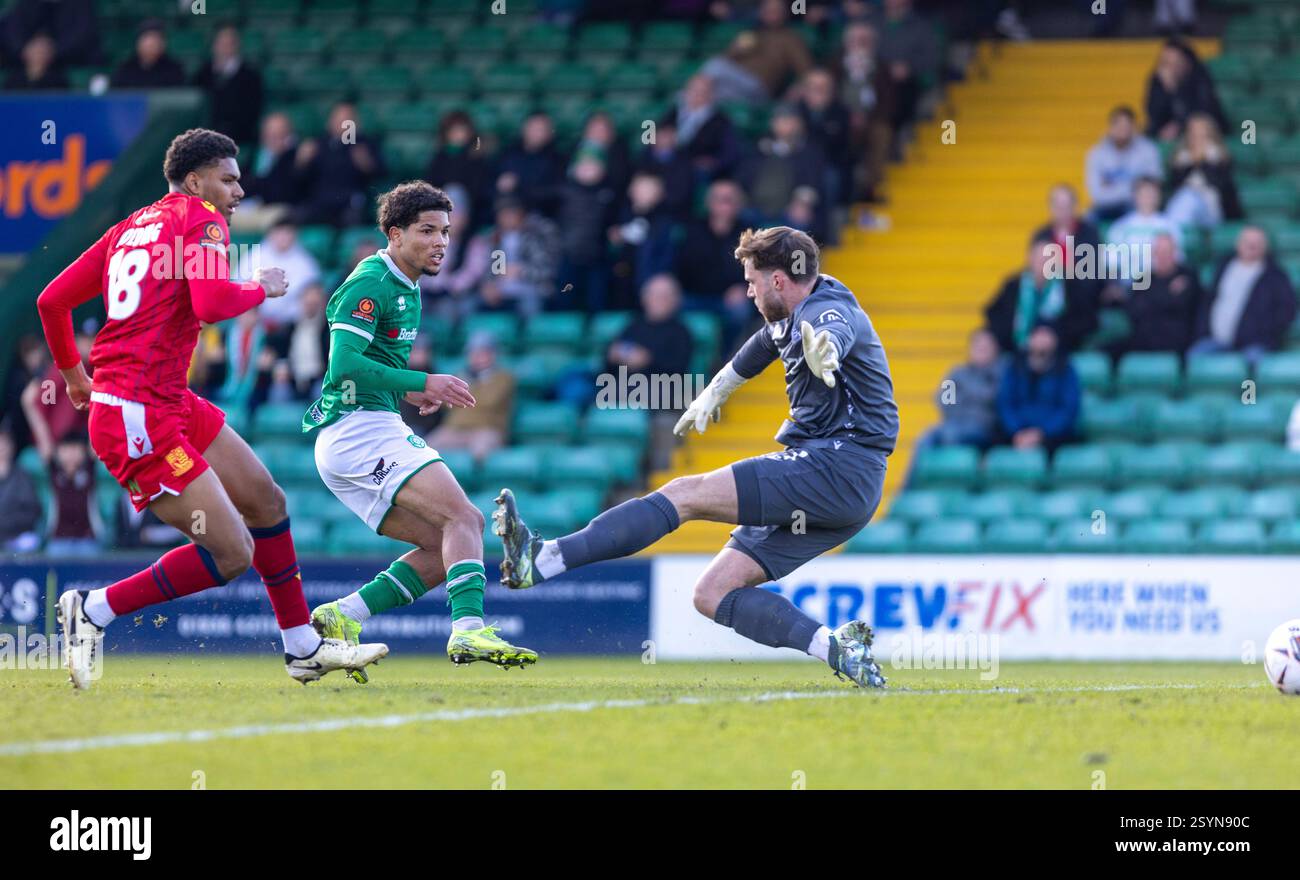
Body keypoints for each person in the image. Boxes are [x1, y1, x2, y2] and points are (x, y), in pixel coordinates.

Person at [36, 128, 386, 689]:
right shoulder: (201, 218)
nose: (239, 192)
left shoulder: (131, 227)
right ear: (196, 181)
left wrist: (76, 377)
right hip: (136, 415)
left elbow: (51, 300)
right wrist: (262, 287)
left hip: (166, 397)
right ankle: (94, 607)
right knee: (231, 554)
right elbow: (212, 302)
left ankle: (302, 647)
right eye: (229, 179)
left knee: (267, 501)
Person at [494, 227, 895, 689]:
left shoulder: (827, 311)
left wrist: (826, 352)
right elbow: (755, 351)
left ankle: (542, 561)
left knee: (684, 494)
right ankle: (836, 648)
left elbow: (832, 332)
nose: (748, 290)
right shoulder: (790, 314)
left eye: (751, 280)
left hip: (838, 466)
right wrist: (710, 396)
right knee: (712, 594)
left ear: (778, 281)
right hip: (846, 487)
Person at [304, 182, 537, 680]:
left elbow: (375, 365)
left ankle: (344, 615)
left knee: (443, 542)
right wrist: (422, 379)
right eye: (427, 231)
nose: (440, 242)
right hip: (357, 430)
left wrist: (411, 393)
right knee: (467, 520)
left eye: (446, 232)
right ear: (394, 234)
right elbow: (343, 366)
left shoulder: (408, 286)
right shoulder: (371, 282)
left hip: (366, 426)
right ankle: (469, 628)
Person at [1190, 226, 1297, 363]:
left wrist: (1263, 334)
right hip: (1215, 340)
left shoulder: (1276, 276)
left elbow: (1287, 310)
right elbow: (1208, 302)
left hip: (1255, 345)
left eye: (1257, 242)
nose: (1252, 245)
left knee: (1252, 370)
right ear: (1238, 244)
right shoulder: (1223, 267)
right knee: (1195, 357)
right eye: (1247, 241)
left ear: (1266, 246)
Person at [984, 237, 1098, 354]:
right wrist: (1018, 334)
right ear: (1030, 259)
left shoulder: (1069, 285)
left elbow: (1086, 320)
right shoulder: (1014, 285)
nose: (1045, 265)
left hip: (1060, 353)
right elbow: (993, 314)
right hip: (1016, 352)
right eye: (1041, 260)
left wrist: (1054, 336)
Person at [427, 332, 516, 464]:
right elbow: (446, 402)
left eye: (482, 352)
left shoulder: (504, 377)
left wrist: (474, 382)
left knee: (480, 453)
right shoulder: (460, 375)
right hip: (455, 429)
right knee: (426, 450)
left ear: (493, 354)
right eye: (473, 353)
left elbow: (489, 400)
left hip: (487, 430)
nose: (476, 357)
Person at [293, 102, 387, 227]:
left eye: (348, 120)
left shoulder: (365, 145)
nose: (343, 124)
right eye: (339, 119)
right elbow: (299, 180)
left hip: (349, 202)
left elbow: (381, 176)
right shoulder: (316, 145)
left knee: (352, 219)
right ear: (329, 122)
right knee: (295, 218)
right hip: (319, 202)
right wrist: (301, 162)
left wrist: (367, 165)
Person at [1113, 233, 1202, 356]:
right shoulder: (1143, 278)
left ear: (1174, 253)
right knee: (1105, 351)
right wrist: (1168, 294)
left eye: (1166, 251)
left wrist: (1153, 301)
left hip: (1177, 342)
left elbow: (1184, 307)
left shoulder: (1188, 276)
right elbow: (1134, 311)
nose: (1163, 256)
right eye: (1159, 252)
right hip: (1143, 339)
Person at [996, 325, 1080, 453]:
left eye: (1046, 335)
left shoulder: (1066, 370)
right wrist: (1017, 431)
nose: (1042, 340)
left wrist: (1041, 433)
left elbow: (1068, 409)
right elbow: (1005, 403)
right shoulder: (1014, 367)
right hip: (1016, 435)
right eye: (1038, 335)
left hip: (1054, 437)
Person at [921, 328, 1002, 449]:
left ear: (995, 350)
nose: (981, 351)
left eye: (986, 348)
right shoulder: (956, 373)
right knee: (925, 438)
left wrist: (967, 396)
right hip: (956, 424)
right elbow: (943, 400)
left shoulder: (1001, 373)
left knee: (950, 435)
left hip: (984, 429)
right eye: (978, 347)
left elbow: (994, 401)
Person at [1085, 106, 1164, 222]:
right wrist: (1133, 187)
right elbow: (1096, 194)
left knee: (1138, 214)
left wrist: (1110, 186)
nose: (1123, 131)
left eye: (1127, 126)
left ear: (1134, 127)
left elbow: (1153, 185)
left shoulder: (1148, 150)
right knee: (1087, 221)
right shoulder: (1096, 154)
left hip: (1135, 206)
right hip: (1105, 206)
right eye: (1119, 126)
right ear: (1111, 128)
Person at [1165, 113, 1242, 229]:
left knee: (1188, 198)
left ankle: (1169, 235)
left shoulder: (1221, 159)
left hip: (1213, 209)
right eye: (1194, 133)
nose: (1198, 137)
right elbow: (1175, 186)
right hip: (1185, 206)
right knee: (1187, 197)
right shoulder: (1180, 158)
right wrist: (1189, 163)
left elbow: (1223, 188)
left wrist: (1204, 161)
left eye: (1202, 133)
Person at [192, 25, 264, 147]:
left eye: (229, 43)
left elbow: (252, 112)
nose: (224, 48)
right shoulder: (202, 74)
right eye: (221, 43)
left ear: (237, 46)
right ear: (214, 45)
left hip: (238, 139)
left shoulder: (250, 76)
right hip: (205, 138)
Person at [1145, 39, 1225, 143]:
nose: (1170, 68)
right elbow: (1154, 114)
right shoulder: (1158, 79)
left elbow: (1204, 112)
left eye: (1174, 62)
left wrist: (1174, 91)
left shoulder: (1199, 76)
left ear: (1186, 62)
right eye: (1165, 62)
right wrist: (1167, 90)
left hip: (1202, 129)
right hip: (1166, 130)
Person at [43, 434, 100, 557]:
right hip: (58, 541)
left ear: (83, 452)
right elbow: (44, 441)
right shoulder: (54, 471)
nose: (70, 454)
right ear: (57, 452)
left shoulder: (89, 469)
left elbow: (95, 443)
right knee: (53, 574)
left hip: (87, 541)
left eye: (75, 448)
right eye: (66, 449)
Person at [110, 19, 185, 90]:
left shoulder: (173, 70)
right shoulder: (125, 69)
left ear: (163, 43)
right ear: (138, 42)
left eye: (156, 40)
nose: (151, 44)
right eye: (147, 39)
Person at [0, 428, 42, 553]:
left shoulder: (22, 476)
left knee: (30, 542)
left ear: (11, 447)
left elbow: (32, 511)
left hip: (16, 536)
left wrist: (5, 524)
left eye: (4, 444)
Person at [3, 32, 68, 91]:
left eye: (44, 51)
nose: (40, 55)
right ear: (25, 52)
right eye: (36, 51)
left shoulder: (58, 81)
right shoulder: (13, 80)